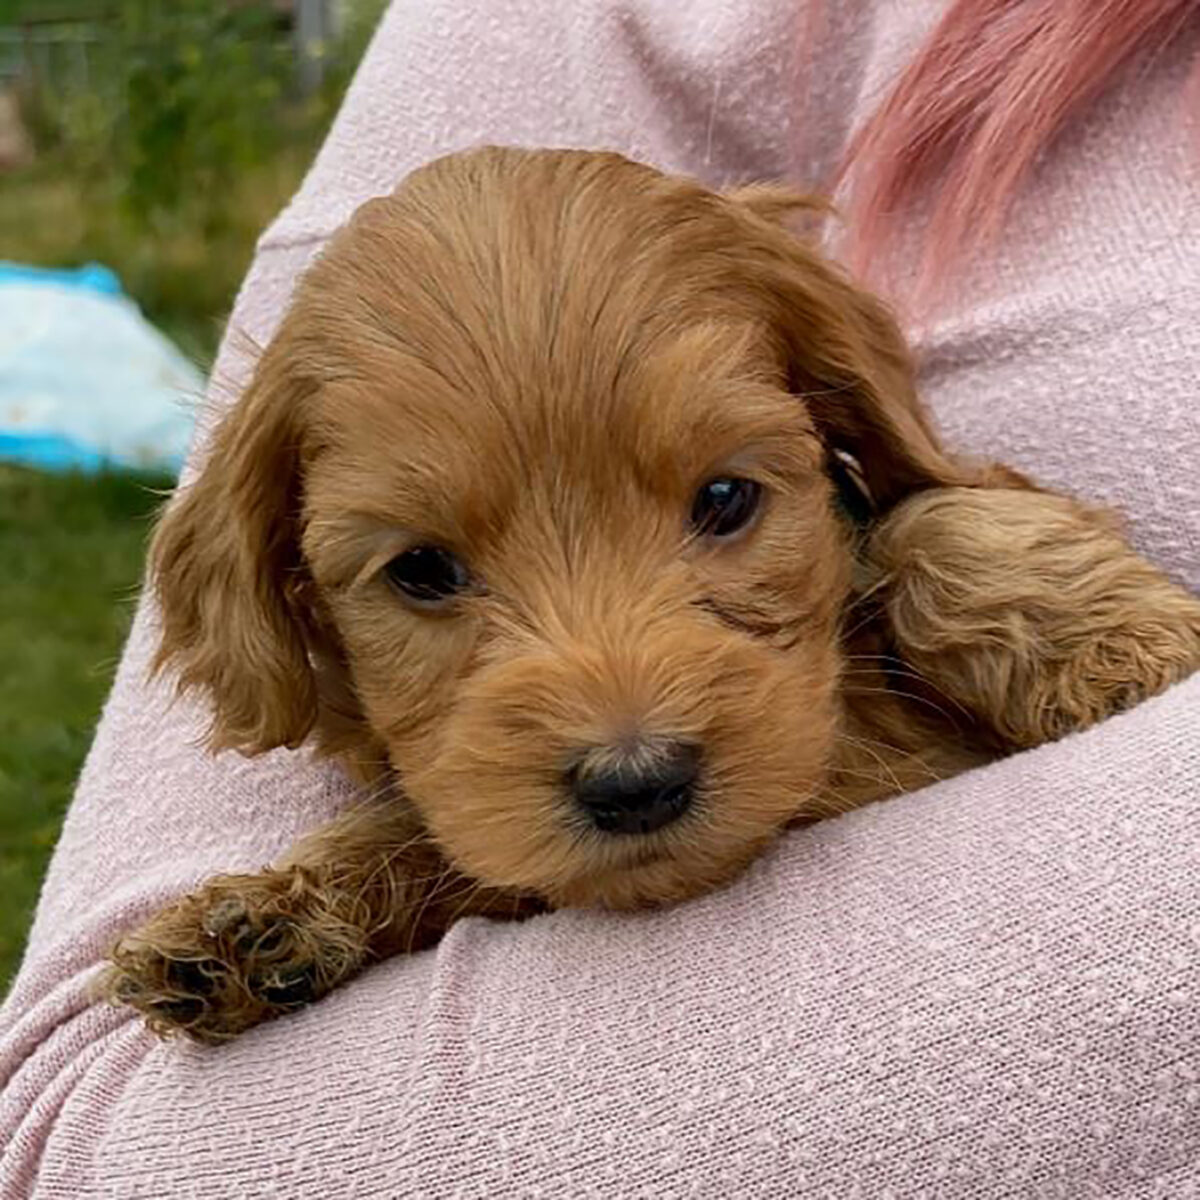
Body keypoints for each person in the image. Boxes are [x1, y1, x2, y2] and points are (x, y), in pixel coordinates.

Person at [2, 2, 1198, 1194]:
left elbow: (925, 494)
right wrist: (359, 882)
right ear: (271, 589)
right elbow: (92, 1140)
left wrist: (962, 549)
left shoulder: (940, 581)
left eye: (725, 504)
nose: (630, 736)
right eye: (426, 573)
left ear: (842, 418)